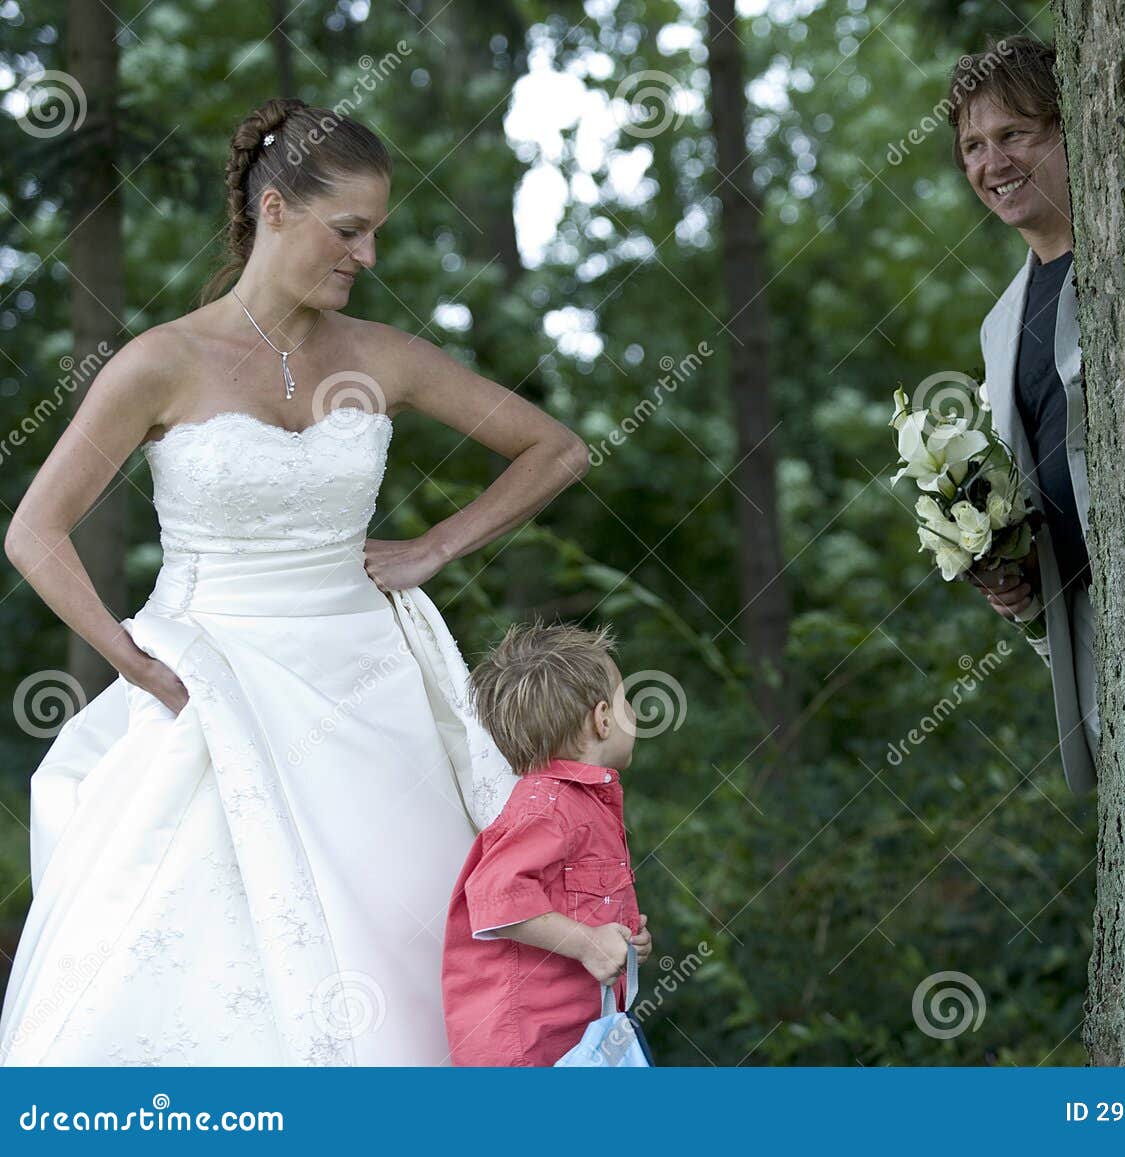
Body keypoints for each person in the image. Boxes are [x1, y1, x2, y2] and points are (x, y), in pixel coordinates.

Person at [0, 97, 590, 1064]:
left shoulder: (381, 356)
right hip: (210, 680)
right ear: (273, 209)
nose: (368, 255)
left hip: (372, 687)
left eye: (375, 232)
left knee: (411, 928)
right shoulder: (162, 362)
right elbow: (34, 531)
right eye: (349, 230)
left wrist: (436, 545)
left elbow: (556, 448)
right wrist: (133, 662)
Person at [948, 36, 1100, 794]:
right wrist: (1015, 572)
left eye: (1014, 133)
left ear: (1071, 128)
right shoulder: (998, 325)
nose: (993, 162)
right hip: (1096, 643)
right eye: (973, 146)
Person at [441, 620, 652, 1066]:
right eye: (627, 703)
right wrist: (589, 943)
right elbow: (496, 896)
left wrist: (620, 935)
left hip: (571, 1037)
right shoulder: (548, 806)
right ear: (602, 718)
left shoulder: (579, 802)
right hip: (527, 1043)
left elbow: (570, 900)